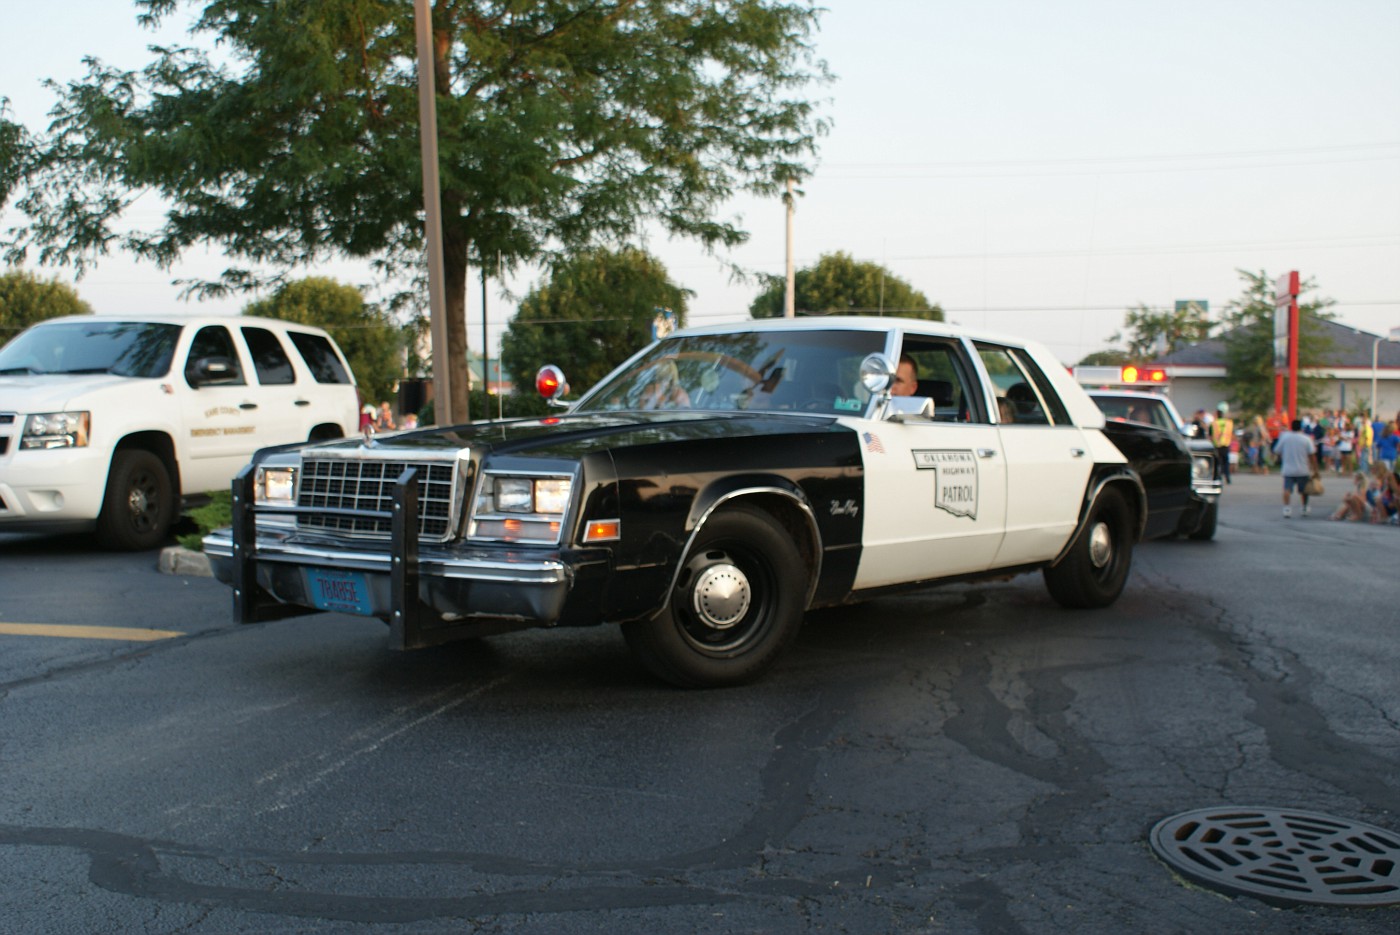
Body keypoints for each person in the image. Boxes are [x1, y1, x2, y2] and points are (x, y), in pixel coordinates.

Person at [1274, 418, 1317, 518]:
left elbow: (1277, 450)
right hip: (1302, 468)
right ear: (1301, 427)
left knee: (1287, 489)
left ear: (1291, 427)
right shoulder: (1306, 438)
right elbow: (1312, 455)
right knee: (1304, 490)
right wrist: (1315, 469)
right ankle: (1304, 507)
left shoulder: (1285, 437)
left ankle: (1287, 508)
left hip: (1288, 468)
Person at [1210, 401, 1235, 484]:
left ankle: (1217, 478)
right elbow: (1231, 434)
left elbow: (1210, 436)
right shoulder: (1229, 423)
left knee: (1217, 463)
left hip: (1217, 445)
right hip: (1226, 445)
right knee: (1226, 463)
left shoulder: (1213, 423)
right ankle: (1227, 478)